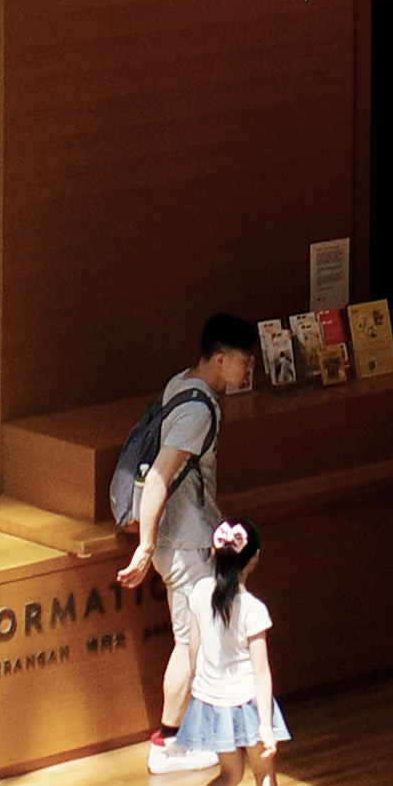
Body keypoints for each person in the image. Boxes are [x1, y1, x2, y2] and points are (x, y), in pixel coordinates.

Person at [118, 314, 256, 760]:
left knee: (195, 637)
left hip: (180, 540)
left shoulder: (182, 384)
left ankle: (183, 735)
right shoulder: (198, 410)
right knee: (190, 641)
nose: (248, 370)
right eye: (243, 361)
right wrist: (145, 545)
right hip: (183, 544)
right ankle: (168, 742)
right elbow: (159, 476)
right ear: (220, 359)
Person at [153, 520, 311, 786]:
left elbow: (192, 653)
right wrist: (266, 726)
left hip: (211, 704)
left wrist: (198, 694)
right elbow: (260, 672)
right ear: (253, 560)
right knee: (263, 772)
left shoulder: (198, 593)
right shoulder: (253, 609)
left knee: (229, 774)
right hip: (246, 705)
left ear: (214, 553)